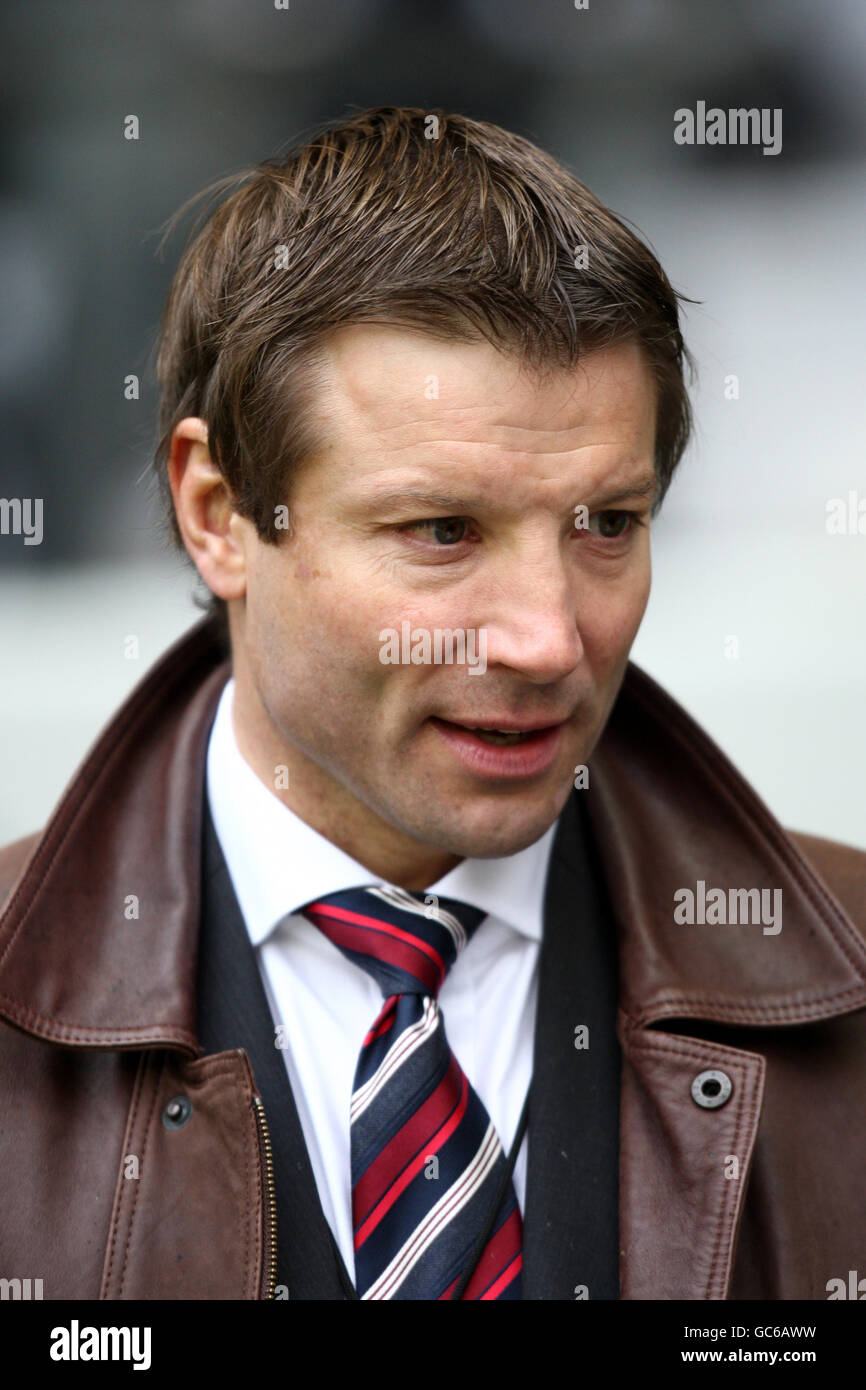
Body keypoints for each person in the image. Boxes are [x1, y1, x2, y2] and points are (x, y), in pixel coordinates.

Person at [1, 106, 864, 1302]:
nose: (547, 637)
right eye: (440, 530)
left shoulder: (844, 982)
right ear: (217, 514)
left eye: (605, 524)